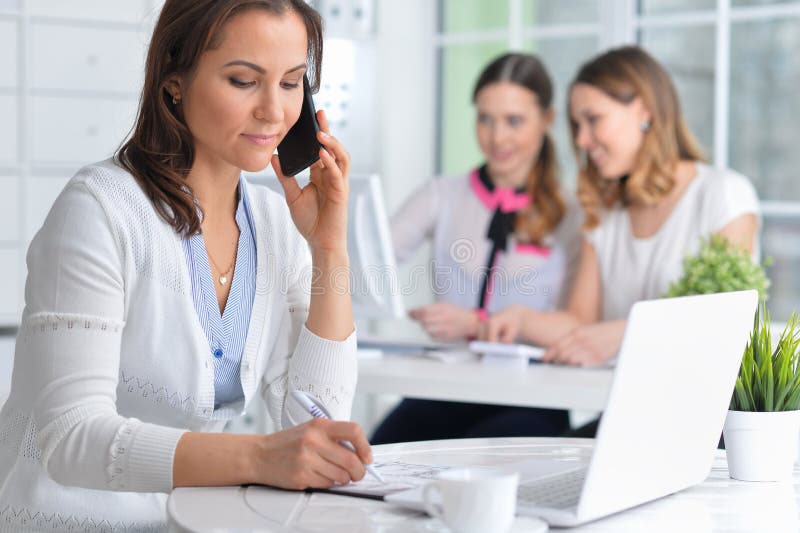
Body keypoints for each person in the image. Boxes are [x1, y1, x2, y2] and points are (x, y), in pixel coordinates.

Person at [0, 1, 374, 530]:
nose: (273, 111)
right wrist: (258, 457)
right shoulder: (100, 209)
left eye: (291, 84)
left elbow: (316, 423)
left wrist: (328, 249)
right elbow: (71, 437)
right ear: (175, 80)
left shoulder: (273, 221)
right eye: (244, 80)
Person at [482, 46, 760, 371]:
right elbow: (580, 323)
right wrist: (520, 318)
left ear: (643, 110)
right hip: (621, 402)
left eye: (593, 120)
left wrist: (625, 333)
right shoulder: (605, 212)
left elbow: (723, 323)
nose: (582, 140)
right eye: (577, 126)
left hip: (700, 414)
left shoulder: (723, 195)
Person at [371, 53, 582, 445]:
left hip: (532, 398)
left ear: (547, 120)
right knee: (373, 457)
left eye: (514, 121)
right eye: (485, 119)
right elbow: (370, 260)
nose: (497, 137)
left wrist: (476, 324)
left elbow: (577, 325)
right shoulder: (441, 196)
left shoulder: (572, 215)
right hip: (445, 390)